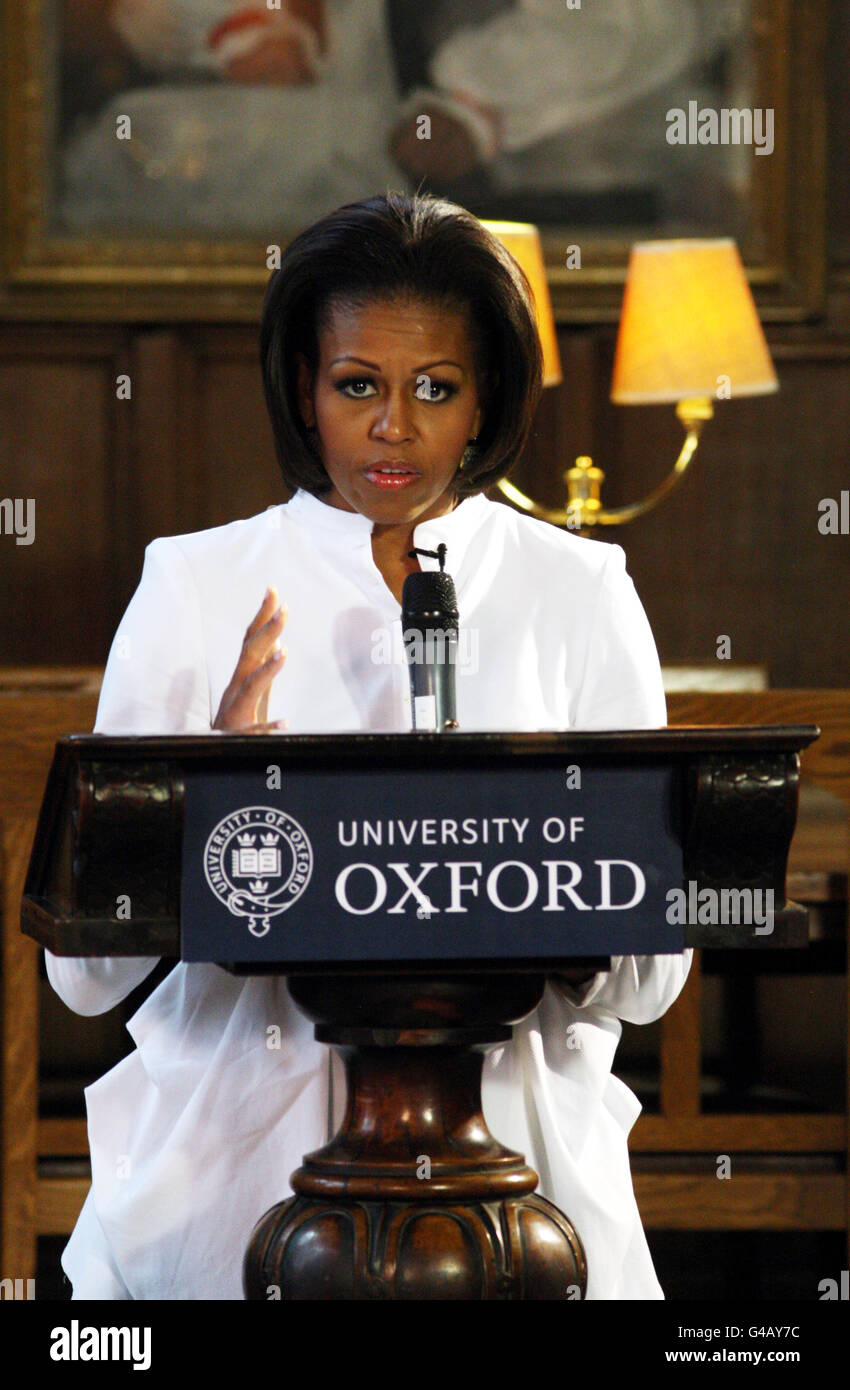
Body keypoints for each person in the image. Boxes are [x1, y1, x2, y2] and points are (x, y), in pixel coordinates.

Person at [46, 190, 691, 1300]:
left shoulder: (579, 588)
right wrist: (196, 805)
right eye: (358, 385)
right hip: (231, 1168)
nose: (394, 426)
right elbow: (84, 975)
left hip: (515, 1177)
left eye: (434, 387)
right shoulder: (193, 584)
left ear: (485, 398)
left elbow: (648, 983)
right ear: (306, 390)